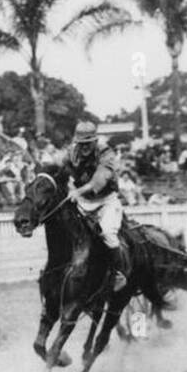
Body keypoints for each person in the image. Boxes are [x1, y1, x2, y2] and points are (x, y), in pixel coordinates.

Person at [65, 120, 130, 290]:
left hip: (106, 200)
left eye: (88, 143)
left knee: (108, 233)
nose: (84, 147)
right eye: (81, 144)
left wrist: (77, 191)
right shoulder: (71, 152)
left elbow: (98, 182)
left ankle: (119, 273)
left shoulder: (106, 154)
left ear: (95, 141)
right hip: (83, 201)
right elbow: (58, 168)